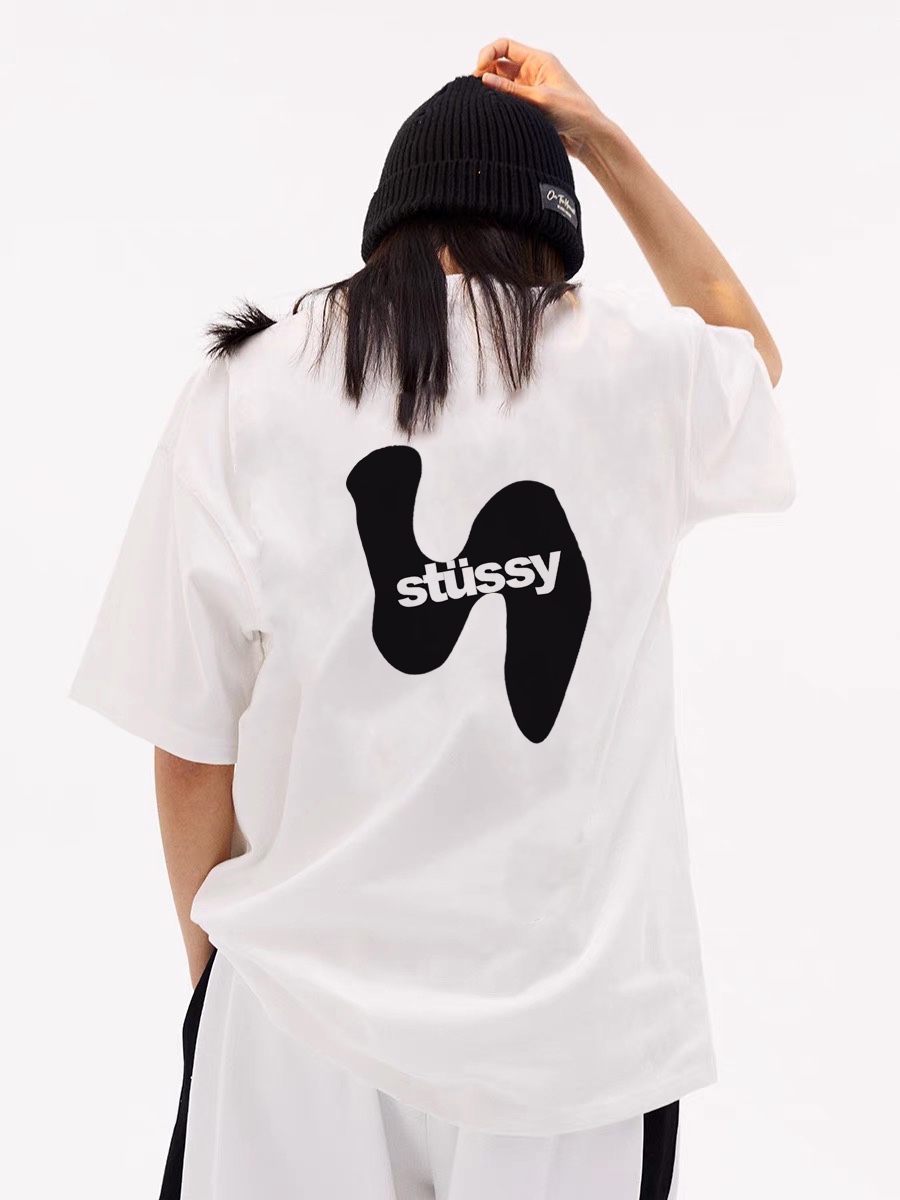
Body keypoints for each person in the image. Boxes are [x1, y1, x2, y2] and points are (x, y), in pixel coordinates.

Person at [67, 36, 796, 1200]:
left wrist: (224, 983)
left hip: (300, 1012)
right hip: (575, 1039)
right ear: (551, 242)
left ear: (391, 228)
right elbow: (747, 354)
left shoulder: (247, 389)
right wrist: (603, 140)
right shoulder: (638, 371)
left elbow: (190, 749)